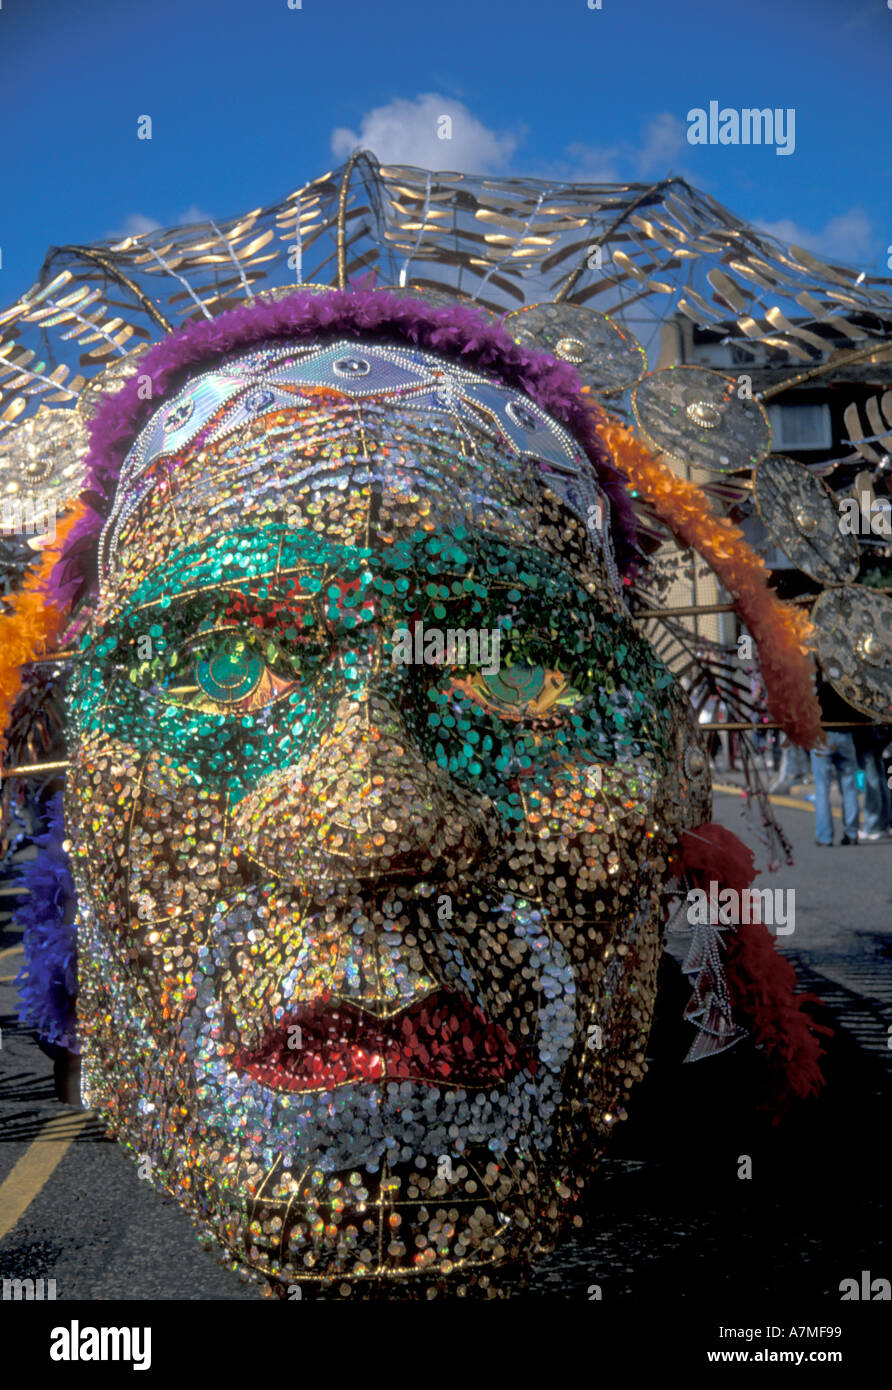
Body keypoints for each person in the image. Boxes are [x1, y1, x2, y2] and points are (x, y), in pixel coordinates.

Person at [810, 665, 861, 846]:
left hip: (823, 737)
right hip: (846, 737)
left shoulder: (820, 690)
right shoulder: (848, 691)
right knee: (849, 787)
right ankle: (852, 833)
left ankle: (825, 836)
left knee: (822, 787)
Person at [854, 722, 892, 841]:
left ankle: (872, 826)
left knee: (871, 784)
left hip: (866, 742)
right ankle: (883, 823)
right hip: (876, 741)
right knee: (879, 781)